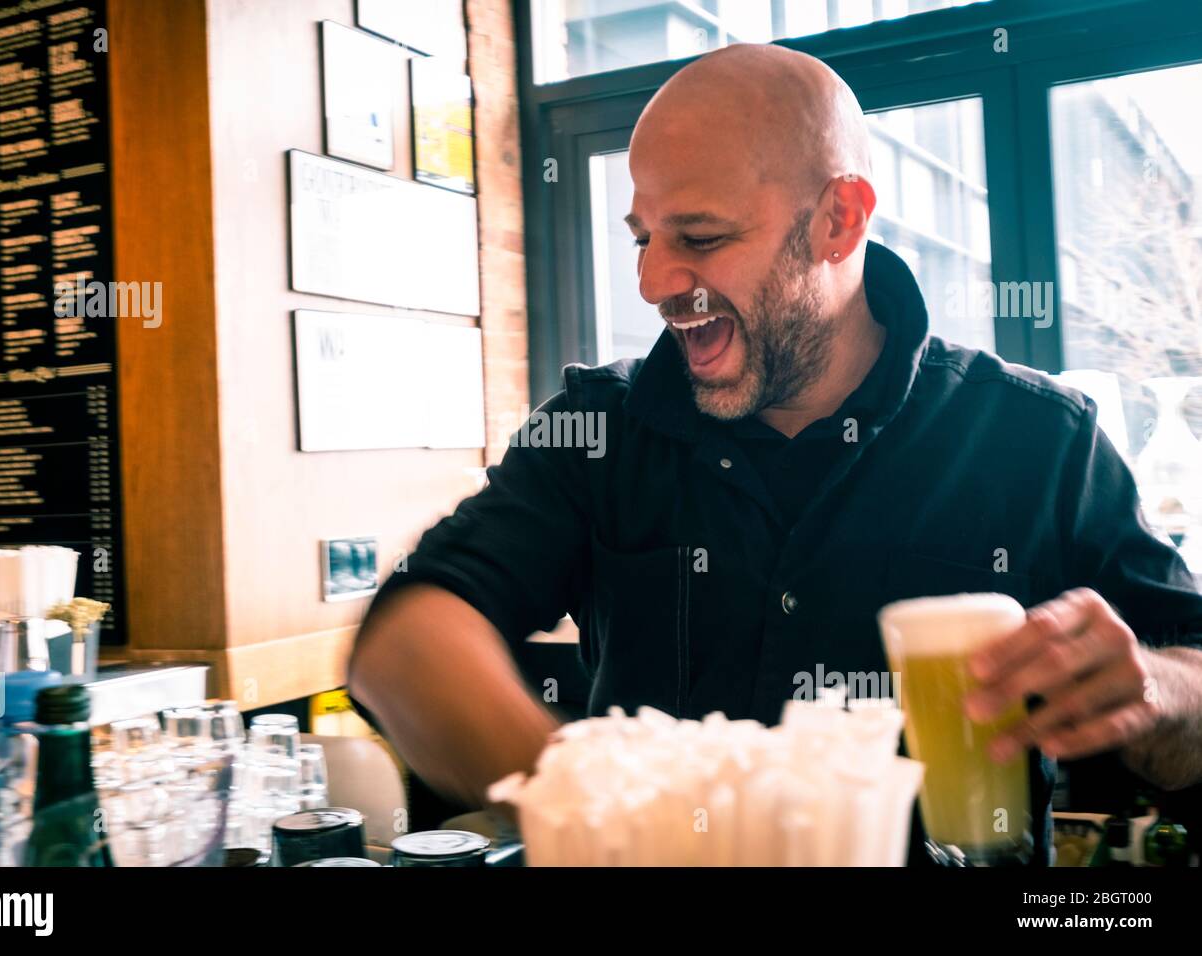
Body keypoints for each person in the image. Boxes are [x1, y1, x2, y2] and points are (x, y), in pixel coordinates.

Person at [348, 43, 1202, 863]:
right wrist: (606, 815)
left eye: (702, 236)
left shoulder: (1036, 438)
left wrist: (1155, 688)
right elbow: (407, 641)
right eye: (643, 235)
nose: (652, 281)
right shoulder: (596, 429)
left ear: (840, 219)